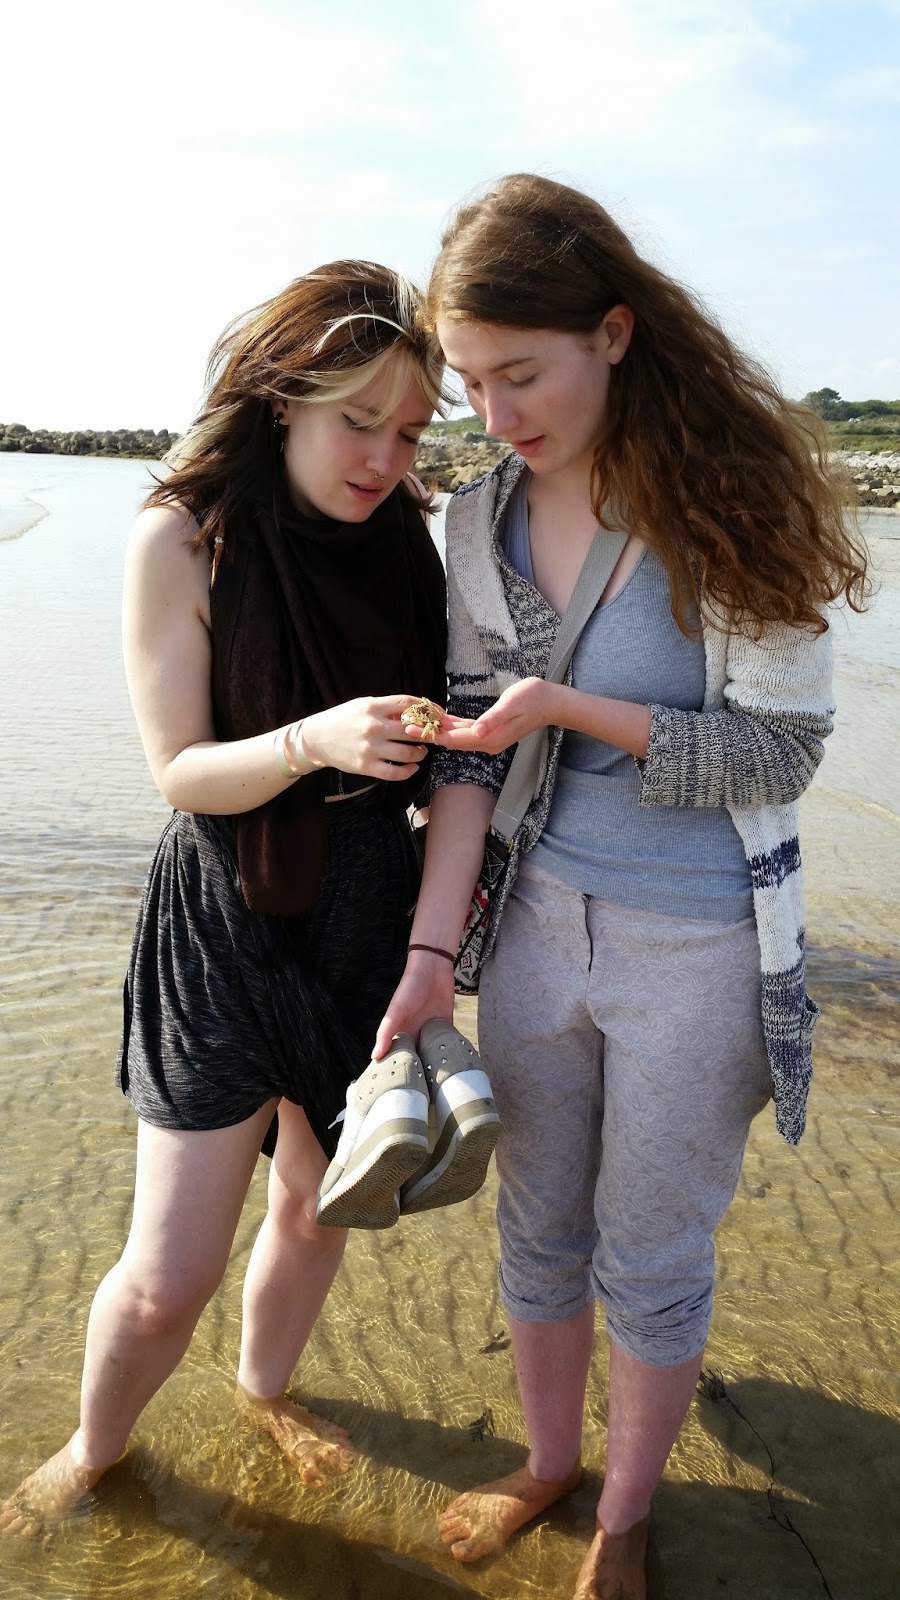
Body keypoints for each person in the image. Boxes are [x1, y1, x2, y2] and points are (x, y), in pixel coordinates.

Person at [377, 175, 868, 1599]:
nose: (495, 413)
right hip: (530, 931)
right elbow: (470, 763)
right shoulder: (472, 525)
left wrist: (574, 713)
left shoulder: (733, 505)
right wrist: (429, 953)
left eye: (519, 373)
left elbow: (783, 749)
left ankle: (626, 1512)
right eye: (469, 383)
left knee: (653, 1250)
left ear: (614, 331)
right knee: (536, 1227)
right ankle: (545, 1463)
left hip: (702, 942)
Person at [0, 260, 447, 1537]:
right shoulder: (182, 535)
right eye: (357, 421)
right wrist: (316, 741)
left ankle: (264, 1393)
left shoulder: (409, 543)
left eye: (410, 430)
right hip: (226, 909)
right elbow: (181, 774)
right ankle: (92, 1448)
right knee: (167, 1273)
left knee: (314, 1205)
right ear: (281, 397)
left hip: (368, 905)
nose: (384, 457)